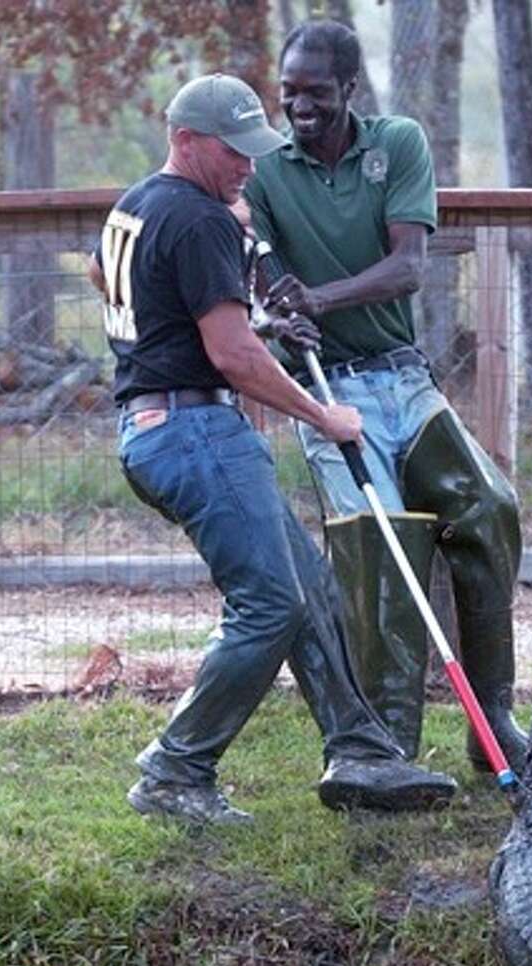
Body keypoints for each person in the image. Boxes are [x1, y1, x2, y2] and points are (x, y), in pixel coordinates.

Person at [89, 72, 457, 825]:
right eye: (233, 153)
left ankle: (359, 750)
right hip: (194, 432)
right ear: (185, 141)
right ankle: (175, 769)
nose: (249, 167)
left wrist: (254, 326)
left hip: (160, 426)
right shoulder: (199, 219)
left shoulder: (135, 206)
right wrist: (325, 416)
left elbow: (121, 284)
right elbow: (230, 358)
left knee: (309, 587)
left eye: (256, 152)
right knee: (269, 603)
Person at [242, 19, 528, 774]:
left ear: (349, 89)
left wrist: (319, 296)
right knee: (379, 546)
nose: (298, 107)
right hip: (328, 391)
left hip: (404, 379)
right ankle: (386, 748)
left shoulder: (396, 143)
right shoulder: (265, 172)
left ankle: (490, 719)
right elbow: (262, 288)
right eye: (288, 93)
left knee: (487, 507)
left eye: (314, 92)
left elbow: (408, 267)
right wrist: (277, 310)